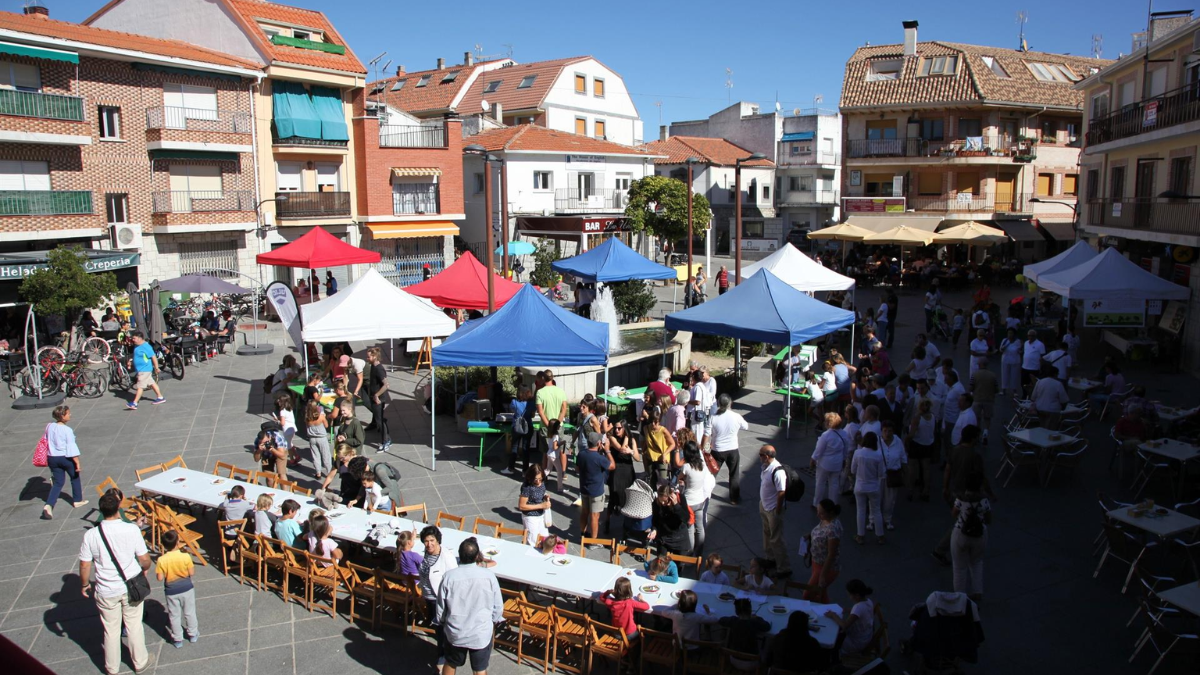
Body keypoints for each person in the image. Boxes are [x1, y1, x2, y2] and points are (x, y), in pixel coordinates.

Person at [79, 492, 151, 675]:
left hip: (106, 589)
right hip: (130, 586)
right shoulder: (131, 529)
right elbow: (144, 559)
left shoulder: (91, 535)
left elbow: (85, 564)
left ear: (102, 511)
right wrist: (144, 569)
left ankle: (112, 667)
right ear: (118, 508)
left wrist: (84, 584)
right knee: (134, 625)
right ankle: (140, 662)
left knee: (110, 630)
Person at [437, 538, 504, 675]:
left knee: (450, 663)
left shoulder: (448, 577)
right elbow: (498, 606)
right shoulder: (489, 576)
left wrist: (443, 622)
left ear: (459, 555)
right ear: (477, 556)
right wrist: (492, 621)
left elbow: (441, 607)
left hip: (455, 632)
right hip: (480, 633)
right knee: (480, 669)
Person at [420, 525, 459, 668]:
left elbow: (454, 578)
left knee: (441, 627)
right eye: (426, 541)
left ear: (438, 541)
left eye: (432, 540)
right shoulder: (427, 552)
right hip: (428, 596)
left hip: (440, 598)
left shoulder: (446, 557)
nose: (429, 544)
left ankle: (443, 655)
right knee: (436, 626)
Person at [155, 529, 199, 649]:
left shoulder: (161, 560)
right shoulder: (185, 556)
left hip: (171, 591)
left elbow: (159, 578)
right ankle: (193, 634)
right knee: (189, 612)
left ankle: (178, 639)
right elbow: (192, 572)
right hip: (186, 588)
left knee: (174, 615)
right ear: (178, 542)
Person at [41, 405, 88, 520]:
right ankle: (77, 500)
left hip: (52, 457)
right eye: (68, 413)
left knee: (58, 482)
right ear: (62, 416)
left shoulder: (49, 426)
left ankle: (49, 505)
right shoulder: (67, 430)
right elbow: (71, 447)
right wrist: (77, 462)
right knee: (75, 477)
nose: (70, 415)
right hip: (65, 458)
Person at [951, 473, 991, 601]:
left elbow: (954, 513)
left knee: (959, 566)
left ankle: (960, 597)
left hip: (960, 533)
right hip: (979, 535)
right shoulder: (984, 500)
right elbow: (989, 519)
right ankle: (977, 591)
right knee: (977, 562)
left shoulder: (961, 499)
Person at [677, 441, 715, 555]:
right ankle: (699, 552)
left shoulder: (686, 467)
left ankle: (689, 553)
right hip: (700, 500)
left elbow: (680, 477)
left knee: (690, 528)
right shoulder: (703, 465)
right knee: (700, 528)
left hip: (689, 502)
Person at [758, 444, 791, 577]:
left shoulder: (778, 472)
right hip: (764, 506)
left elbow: (781, 492)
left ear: (766, 456)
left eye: (760, 454)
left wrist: (777, 511)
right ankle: (771, 558)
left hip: (772, 509)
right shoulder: (766, 467)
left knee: (776, 539)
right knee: (767, 534)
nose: (758, 457)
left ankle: (784, 568)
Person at [708, 394, 747, 504]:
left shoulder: (714, 417)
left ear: (719, 404)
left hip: (717, 450)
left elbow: (708, 432)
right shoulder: (736, 416)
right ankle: (734, 498)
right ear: (730, 403)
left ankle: (706, 492)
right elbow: (746, 426)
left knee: (712, 473)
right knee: (734, 474)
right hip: (732, 449)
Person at [577, 432, 615, 541]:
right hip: (596, 492)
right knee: (594, 516)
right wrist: (607, 450)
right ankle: (593, 541)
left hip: (584, 489)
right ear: (598, 443)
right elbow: (612, 466)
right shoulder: (599, 458)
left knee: (584, 512)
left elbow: (577, 469)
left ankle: (583, 534)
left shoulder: (581, 454)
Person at [605, 418, 640, 535]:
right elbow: (621, 449)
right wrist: (626, 438)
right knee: (613, 496)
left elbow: (637, 458)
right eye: (615, 428)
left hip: (628, 470)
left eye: (619, 428)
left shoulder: (632, 440)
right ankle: (607, 521)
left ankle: (626, 526)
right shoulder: (612, 438)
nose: (616, 430)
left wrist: (631, 452)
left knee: (627, 498)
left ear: (624, 428)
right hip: (617, 469)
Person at [824, 579, 876, 657]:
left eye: (850, 595)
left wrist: (833, 615)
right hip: (866, 635)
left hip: (857, 642)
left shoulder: (858, 608)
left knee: (833, 639)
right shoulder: (868, 601)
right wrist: (848, 610)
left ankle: (835, 658)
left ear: (857, 595)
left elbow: (844, 625)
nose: (849, 597)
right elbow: (862, 612)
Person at [762, 611, 828, 672]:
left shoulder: (778, 639)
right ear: (806, 625)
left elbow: (767, 661)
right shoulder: (813, 643)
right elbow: (820, 666)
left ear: (789, 623)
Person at [850, 432, 885, 545]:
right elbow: (881, 473)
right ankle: (880, 536)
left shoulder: (858, 453)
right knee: (876, 511)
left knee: (860, 510)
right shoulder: (878, 455)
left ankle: (860, 535)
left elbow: (853, 470)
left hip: (860, 486)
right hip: (873, 486)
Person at [718, 599, 771, 669]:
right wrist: (757, 618)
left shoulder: (733, 621)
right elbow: (767, 626)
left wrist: (733, 618)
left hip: (734, 660)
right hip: (752, 663)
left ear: (736, 612)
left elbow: (721, 620)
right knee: (766, 649)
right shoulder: (755, 622)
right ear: (750, 610)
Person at [811, 412, 848, 508]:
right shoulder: (844, 434)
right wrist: (844, 459)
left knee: (820, 483)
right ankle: (833, 503)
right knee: (834, 484)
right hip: (837, 463)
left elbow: (819, 450)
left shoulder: (826, 435)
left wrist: (813, 459)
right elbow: (845, 449)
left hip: (824, 463)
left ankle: (817, 503)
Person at [535, 370, 569, 465]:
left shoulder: (540, 392)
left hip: (545, 427)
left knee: (546, 452)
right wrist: (557, 424)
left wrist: (549, 426)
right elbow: (564, 409)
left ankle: (544, 476)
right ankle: (563, 473)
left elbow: (541, 412)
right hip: (559, 426)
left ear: (543, 378)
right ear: (552, 377)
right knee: (562, 450)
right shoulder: (561, 391)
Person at [878, 420, 907, 531]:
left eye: (890, 431)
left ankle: (887, 520)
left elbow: (903, 457)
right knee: (877, 499)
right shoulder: (877, 442)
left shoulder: (898, 441)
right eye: (885, 431)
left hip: (893, 475)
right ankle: (873, 520)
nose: (887, 433)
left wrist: (906, 473)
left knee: (890, 500)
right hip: (879, 476)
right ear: (881, 431)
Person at [125, 330, 164, 410]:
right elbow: (137, 356)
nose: (133, 340)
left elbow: (153, 357)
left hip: (144, 370)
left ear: (140, 338)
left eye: (134, 338)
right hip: (141, 369)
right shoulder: (136, 346)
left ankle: (134, 403)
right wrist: (131, 361)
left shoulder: (146, 346)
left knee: (140, 386)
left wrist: (156, 367)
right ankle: (160, 397)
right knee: (152, 383)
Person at [648, 484, 692, 555]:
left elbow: (686, 518)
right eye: (660, 500)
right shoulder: (656, 503)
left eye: (665, 501)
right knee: (661, 561)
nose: (662, 503)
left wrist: (676, 505)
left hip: (679, 537)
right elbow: (655, 520)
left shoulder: (680, 498)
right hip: (664, 538)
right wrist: (654, 530)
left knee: (679, 564)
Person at [908, 398, 937, 502]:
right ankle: (926, 490)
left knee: (912, 467)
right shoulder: (933, 416)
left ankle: (911, 490)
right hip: (928, 444)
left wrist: (906, 440)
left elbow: (912, 434)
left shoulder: (917, 418)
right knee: (926, 469)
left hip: (916, 444)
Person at [364, 347, 391, 453]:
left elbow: (386, 385)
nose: (367, 358)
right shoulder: (373, 366)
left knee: (380, 421)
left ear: (374, 357)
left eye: (368, 356)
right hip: (375, 398)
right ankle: (386, 439)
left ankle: (386, 441)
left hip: (378, 400)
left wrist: (376, 395)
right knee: (379, 419)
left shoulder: (379, 369)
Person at [641, 407, 675, 490]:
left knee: (662, 482)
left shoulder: (663, 430)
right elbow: (646, 441)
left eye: (656, 422)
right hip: (650, 457)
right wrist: (644, 450)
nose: (653, 424)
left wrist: (665, 453)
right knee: (651, 480)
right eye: (652, 421)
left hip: (662, 458)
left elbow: (672, 444)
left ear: (659, 422)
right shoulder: (646, 429)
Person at [518, 465, 552, 546]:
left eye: (540, 479)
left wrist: (545, 496)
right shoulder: (526, 487)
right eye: (535, 479)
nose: (538, 481)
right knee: (532, 541)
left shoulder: (542, 482)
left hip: (541, 515)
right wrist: (541, 505)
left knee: (545, 539)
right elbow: (521, 506)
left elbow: (541, 493)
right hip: (531, 517)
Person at [505, 385, 536, 475]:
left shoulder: (514, 402)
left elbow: (513, 410)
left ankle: (511, 468)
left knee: (514, 447)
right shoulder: (531, 403)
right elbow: (533, 415)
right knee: (526, 449)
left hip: (517, 426)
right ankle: (525, 471)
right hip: (528, 426)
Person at [970, 365, 998, 445]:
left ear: (979, 365)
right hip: (989, 400)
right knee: (987, 418)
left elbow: (970, 388)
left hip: (977, 399)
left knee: (977, 418)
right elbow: (996, 389)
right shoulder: (993, 375)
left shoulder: (974, 375)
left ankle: (977, 435)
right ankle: (985, 433)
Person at [998, 327, 1022, 397]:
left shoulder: (1018, 341)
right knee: (1004, 375)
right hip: (1005, 360)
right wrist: (1004, 346)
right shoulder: (1005, 340)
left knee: (1014, 376)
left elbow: (1019, 350)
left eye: (1011, 333)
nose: (1010, 334)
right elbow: (1001, 350)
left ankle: (1014, 390)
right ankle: (1004, 389)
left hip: (1015, 361)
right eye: (1008, 333)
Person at [1021, 330, 1046, 396]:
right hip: (1025, 367)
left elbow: (1042, 357)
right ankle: (1025, 396)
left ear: (1035, 336)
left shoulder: (1040, 344)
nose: (1031, 337)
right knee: (1023, 383)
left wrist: (1041, 368)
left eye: (1032, 336)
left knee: (1033, 385)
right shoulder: (1026, 343)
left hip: (1034, 368)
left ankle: (1033, 397)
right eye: (1029, 335)